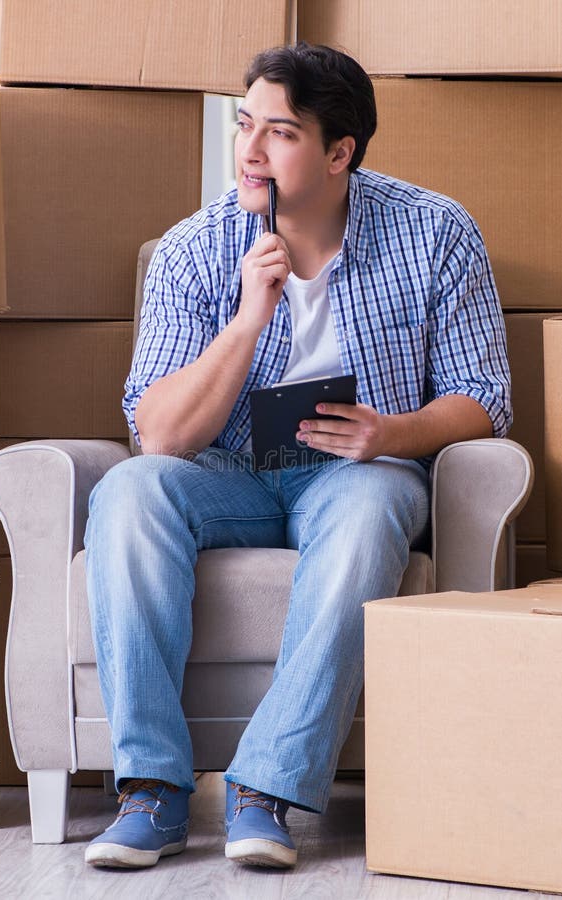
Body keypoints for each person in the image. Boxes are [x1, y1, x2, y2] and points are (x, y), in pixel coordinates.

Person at [83, 42, 511, 870]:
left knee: (373, 506)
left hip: (355, 470)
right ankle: (153, 792)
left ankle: (266, 790)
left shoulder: (436, 231)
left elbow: (483, 398)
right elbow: (161, 435)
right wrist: (248, 317)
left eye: (277, 133)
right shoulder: (193, 248)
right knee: (131, 492)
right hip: (224, 473)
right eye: (244, 124)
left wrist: (388, 434)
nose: (247, 151)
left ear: (340, 151)